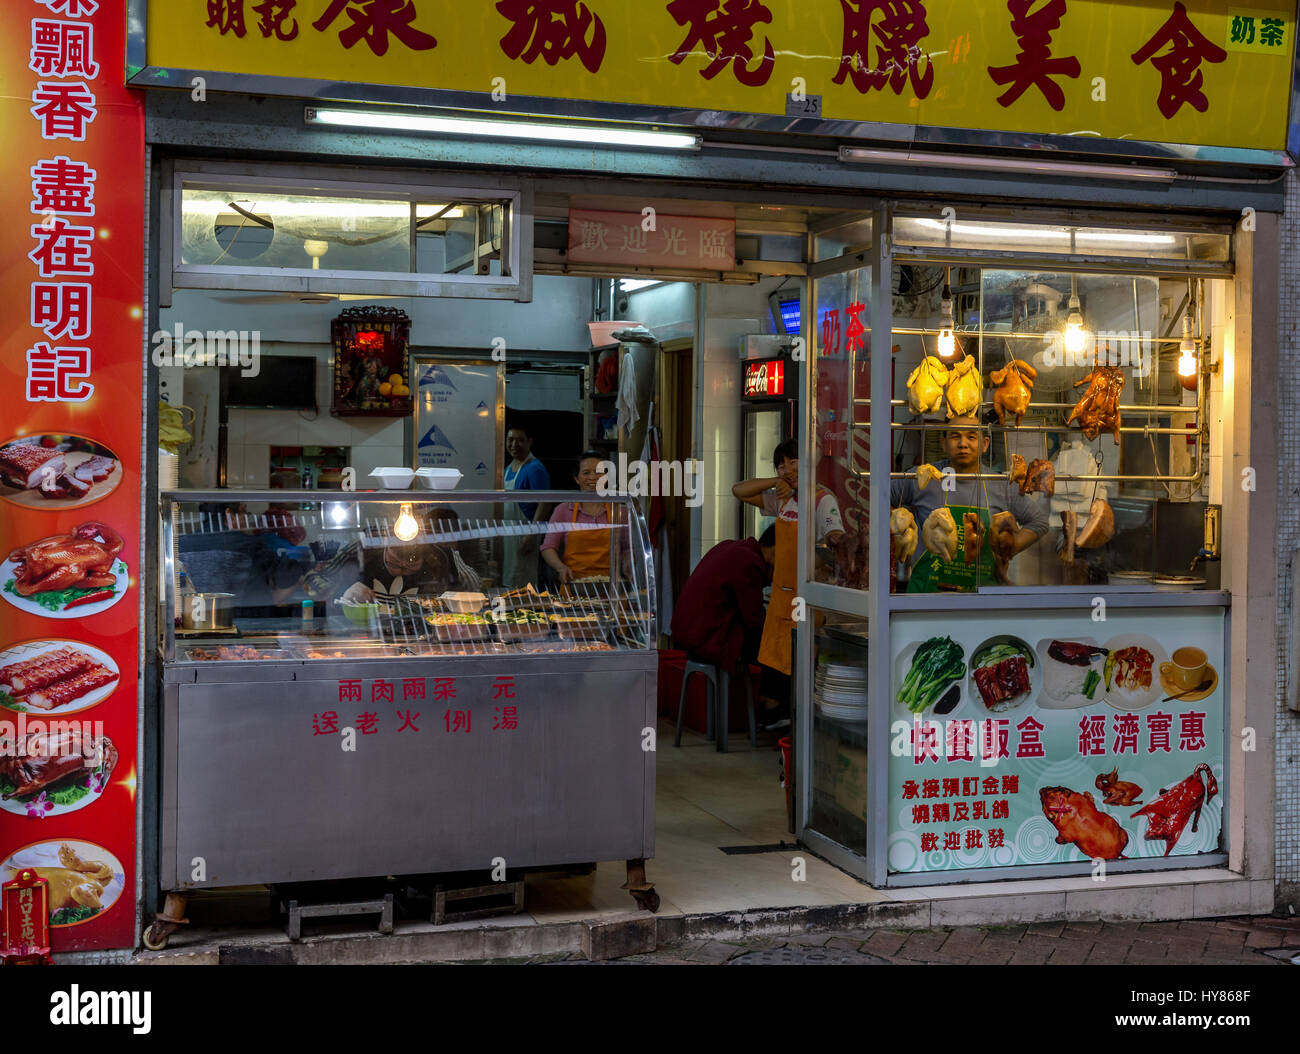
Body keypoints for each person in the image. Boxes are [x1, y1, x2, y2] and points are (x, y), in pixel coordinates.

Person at [732, 439, 844, 721]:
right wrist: (775, 481)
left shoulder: (822, 499)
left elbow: (835, 542)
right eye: (781, 464)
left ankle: (798, 725)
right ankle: (776, 718)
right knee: (774, 660)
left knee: (802, 662)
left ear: (808, 463)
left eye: (793, 462)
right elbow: (739, 491)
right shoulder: (783, 499)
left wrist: (830, 547)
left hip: (809, 597)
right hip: (781, 596)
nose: (787, 468)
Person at [890, 415, 1048, 592]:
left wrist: (1010, 549)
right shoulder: (923, 477)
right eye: (955, 436)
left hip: (981, 599)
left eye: (971, 437)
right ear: (944, 443)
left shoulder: (1000, 484)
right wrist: (899, 527)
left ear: (985, 444)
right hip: (925, 594)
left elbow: (1039, 522)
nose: (963, 444)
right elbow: (882, 497)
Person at [671, 525, 776, 674]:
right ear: (776, 549)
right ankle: (769, 696)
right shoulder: (749, 561)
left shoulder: (732, 546)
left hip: (685, 632)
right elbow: (754, 619)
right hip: (703, 639)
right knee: (774, 647)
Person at [541, 451, 630, 584]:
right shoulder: (563, 510)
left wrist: (627, 564)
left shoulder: (619, 511)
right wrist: (561, 568)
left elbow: (628, 547)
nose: (593, 477)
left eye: (599, 472)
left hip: (612, 586)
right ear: (576, 478)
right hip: (573, 584)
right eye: (586, 472)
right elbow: (548, 547)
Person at [502, 424, 551, 588]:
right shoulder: (509, 468)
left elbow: (545, 502)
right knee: (511, 577)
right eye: (510, 440)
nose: (514, 445)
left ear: (530, 442)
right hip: (509, 532)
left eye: (520, 440)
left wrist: (531, 535)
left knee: (524, 580)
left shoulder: (535, 468)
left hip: (525, 532)